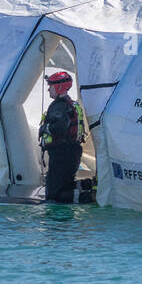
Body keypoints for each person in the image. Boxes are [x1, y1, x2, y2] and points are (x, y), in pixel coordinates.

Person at [39, 71, 91, 203]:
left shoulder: (59, 106)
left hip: (62, 152)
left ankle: (88, 195)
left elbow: (60, 128)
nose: (48, 89)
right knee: (65, 184)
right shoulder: (70, 104)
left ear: (59, 87)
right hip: (71, 152)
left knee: (53, 194)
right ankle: (86, 187)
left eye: (50, 86)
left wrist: (45, 128)